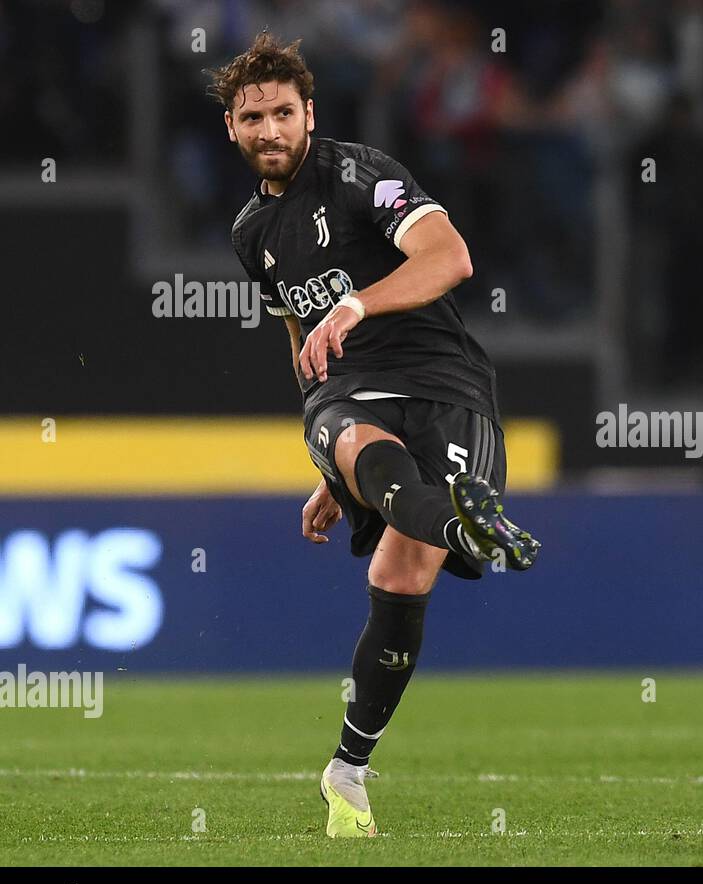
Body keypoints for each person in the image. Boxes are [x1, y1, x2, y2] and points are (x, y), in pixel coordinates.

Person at [210, 32, 539, 838]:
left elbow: (450, 256)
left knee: (402, 574)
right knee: (355, 441)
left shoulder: (361, 173)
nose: (270, 131)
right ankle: (460, 518)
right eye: (252, 117)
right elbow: (301, 344)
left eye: (283, 113)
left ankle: (347, 766)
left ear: (309, 115)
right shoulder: (252, 233)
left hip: (444, 380)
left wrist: (356, 303)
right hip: (349, 394)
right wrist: (330, 466)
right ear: (231, 129)